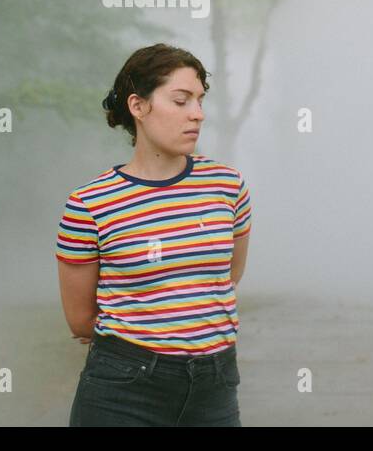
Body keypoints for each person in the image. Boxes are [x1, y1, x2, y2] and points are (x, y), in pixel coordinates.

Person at [55, 42, 252, 426]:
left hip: (214, 387)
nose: (197, 114)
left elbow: (227, 276)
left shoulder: (227, 186)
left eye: (199, 100)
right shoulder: (90, 204)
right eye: (181, 101)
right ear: (138, 106)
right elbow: (81, 320)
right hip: (124, 389)